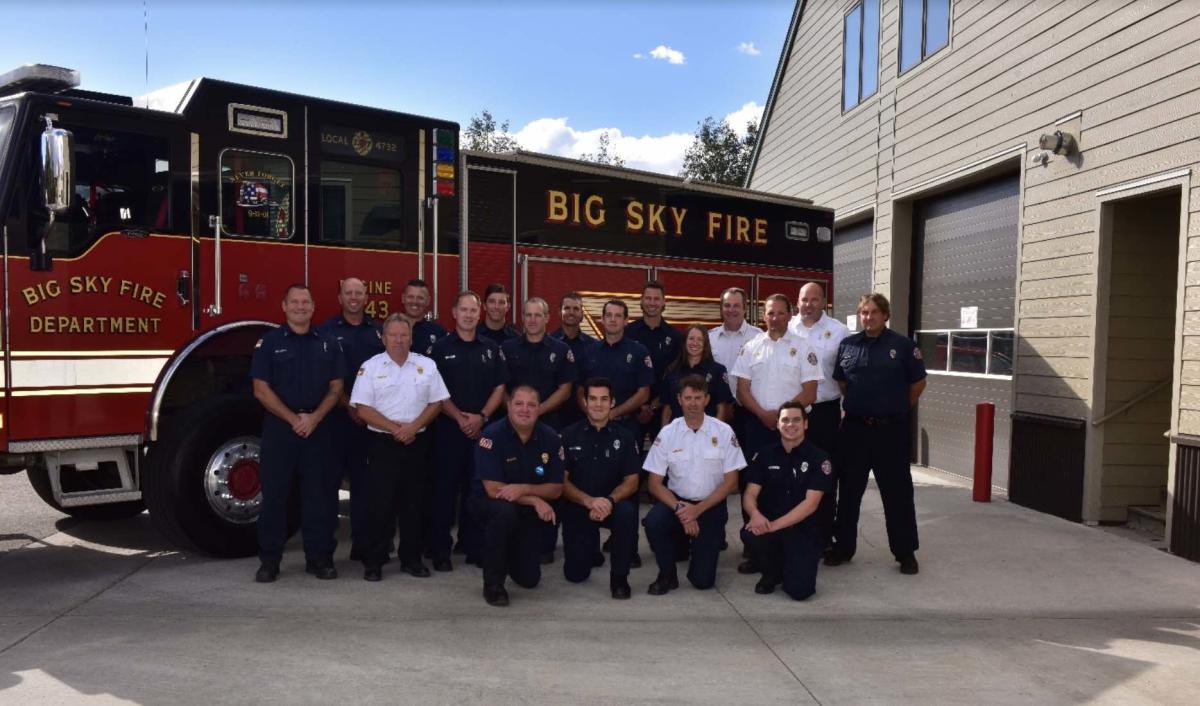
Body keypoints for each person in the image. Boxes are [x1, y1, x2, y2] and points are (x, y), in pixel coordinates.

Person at [825, 293, 927, 575]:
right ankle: (843, 547)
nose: (868, 317)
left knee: (897, 494)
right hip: (855, 430)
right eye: (864, 312)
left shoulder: (903, 346)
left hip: (890, 431)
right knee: (849, 492)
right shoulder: (848, 345)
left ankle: (905, 552)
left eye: (873, 312)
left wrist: (895, 408)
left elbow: (918, 384)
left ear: (885, 315)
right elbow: (843, 384)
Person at [250, 284, 345, 583]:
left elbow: (337, 388)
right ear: (284, 306)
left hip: (319, 429)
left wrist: (314, 418)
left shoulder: (328, 342)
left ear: (313, 307)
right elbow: (260, 389)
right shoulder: (268, 343)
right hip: (281, 430)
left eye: (306, 302)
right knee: (275, 498)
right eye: (295, 302)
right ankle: (269, 561)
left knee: (320, 498)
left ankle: (319, 559)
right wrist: (294, 419)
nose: (300, 307)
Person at [349, 314, 448, 581]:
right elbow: (362, 409)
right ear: (383, 338)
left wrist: (413, 427)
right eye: (393, 335)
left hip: (417, 442)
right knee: (379, 505)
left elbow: (437, 402)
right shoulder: (370, 367)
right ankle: (374, 561)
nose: (399, 340)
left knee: (414, 505)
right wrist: (397, 429)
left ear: (411, 338)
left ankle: (411, 559)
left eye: (404, 335)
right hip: (383, 444)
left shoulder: (426, 365)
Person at [730, 293, 821, 575]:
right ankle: (754, 548)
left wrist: (781, 417)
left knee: (791, 487)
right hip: (758, 427)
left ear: (789, 315)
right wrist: (762, 414)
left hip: (791, 430)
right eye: (770, 313)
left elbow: (810, 392)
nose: (775, 318)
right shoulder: (751, 347)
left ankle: (791, 542)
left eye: (781, 313)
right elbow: (742, 389)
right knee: (754, 485)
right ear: (763, 315)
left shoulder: (804, 347)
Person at [642, 375, 744, 594]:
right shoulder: (668, 433)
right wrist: (682, 510)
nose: (693, 403)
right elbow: (654, 484)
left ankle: (694, 548)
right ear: (679, 399)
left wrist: (697, 511)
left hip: (710, 505)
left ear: (707, 399)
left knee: (703, 581)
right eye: (688, 398)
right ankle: (667, 574)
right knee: (653, 522)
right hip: (676, 503)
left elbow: (731, 483)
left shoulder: (723, 431)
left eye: (698, 398)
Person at [429, 291, 508, 571]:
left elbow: (500, 387)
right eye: (464, 310)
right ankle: (440, 551)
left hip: (483, 431)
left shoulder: (491, 348)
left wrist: (482, 417)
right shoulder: (439, 348)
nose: (469, 315)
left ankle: (473, 547)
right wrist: (460, 418)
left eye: (473, 310)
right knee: (444, 492)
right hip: (448, 429)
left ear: (479, 313)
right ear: (454, 313)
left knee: (478, 491)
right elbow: (434, 390)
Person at [472, 386, 565, 607]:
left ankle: (512, 554)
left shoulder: (551, 438)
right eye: (519, 404)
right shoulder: (492, 436)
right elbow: (493, 489)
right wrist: (533, 498)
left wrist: (524, 489)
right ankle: (493, 584)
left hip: (526, 511)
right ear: (509, 406)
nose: (525, 410)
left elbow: (556, 488)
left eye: (531, 405)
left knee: (529, 580)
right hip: (490, 506)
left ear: (539, 408)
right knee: (504, 513)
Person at [316, 277, 385, 562]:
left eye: (359, 293)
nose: (354, 297)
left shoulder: (379, 332)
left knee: (365, 488)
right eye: (349, 293)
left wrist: (367, 413)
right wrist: (351, 407)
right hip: (336, 421)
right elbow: (326, 377)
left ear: (367, 298)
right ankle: (324, 552)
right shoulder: (326, 332)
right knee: (328, 487)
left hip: (369, 424)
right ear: (340, 298)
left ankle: (362, 547)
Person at [741, 402, 834, 600]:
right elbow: (749, 494)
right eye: (785, 420)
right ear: (778, 424)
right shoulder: (765, 455)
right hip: (770, 526)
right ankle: (771, 573)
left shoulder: (819, 458)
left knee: (800, 592)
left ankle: (786, 566)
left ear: (806, 424)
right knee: (750, 533)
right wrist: (756, 515)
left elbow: (811, 504)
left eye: (796, 420)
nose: (790, 425)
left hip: (803, 530)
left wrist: (772, 526)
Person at [560, 377, 641, 600]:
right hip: (579, 505)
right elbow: (562, 482)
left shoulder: (625, 437)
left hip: (612, 505)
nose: (598, 404)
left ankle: (620, 578)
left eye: (604, 399)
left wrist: (609, 501)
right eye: (593, 399)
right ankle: (591, 550)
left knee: (627, 512)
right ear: (585, 402)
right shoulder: (568, 435)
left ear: (612, 402)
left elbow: (632, 481)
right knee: (576, 575)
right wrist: (589, 501)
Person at [787, 282, 850, 550]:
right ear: (797, 301)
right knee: (792, 474)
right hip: (793, 413)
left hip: (825, 412)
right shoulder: (787, 327)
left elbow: (847, 375)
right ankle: (793, 533)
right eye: (804, 299)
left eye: (814, 299)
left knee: (824, 473)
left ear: (824, 302)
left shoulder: (839, 331)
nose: (808, 305)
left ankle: (823, 536)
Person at [575, 299, 654, 443]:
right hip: (592, 427)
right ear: (602, 319)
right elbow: (580, 390)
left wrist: (612, 413)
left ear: (626, 321)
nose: (613, 319)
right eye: (609, 315)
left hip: (627, 426)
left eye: (618, 316)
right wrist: (592, 414)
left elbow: (644, 393)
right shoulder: (588, 352)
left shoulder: (639, 352)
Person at [501, 297, 577, 431]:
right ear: (523, 317)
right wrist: (516, 411)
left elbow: (565, 390)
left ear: (546, 318)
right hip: (513, 424)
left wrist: (537, 410)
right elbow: (499, 387)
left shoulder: (561, 350)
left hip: (549, 424)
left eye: (537, 315)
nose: (532, 320)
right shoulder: (507, 348)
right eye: (528, 315)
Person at [625, 281, 681, 445]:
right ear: (641, 301)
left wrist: (654, 406)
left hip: (664, 408)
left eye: (656, 299)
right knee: (630, 456)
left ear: (664, 302)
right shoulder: (627, 333)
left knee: (665, 455)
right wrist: (640, 406)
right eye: (648, 298)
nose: (652, 303)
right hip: (631, 410)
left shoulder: (675, 337)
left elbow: (675, 375)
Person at [708, 287, 758, 449]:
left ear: (745, 308)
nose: (731, 310)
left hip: (748, 412)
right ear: (721, 308)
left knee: (747, 457)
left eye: (736, 305)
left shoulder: (759, 338)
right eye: (727, 305)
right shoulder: (710, 338)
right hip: (716, 411)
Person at [660, 324, 733, 426]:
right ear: (684, 342)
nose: (695, 343)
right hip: (678, 431)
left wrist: (716, 432)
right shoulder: (672, 370)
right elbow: (667, 409)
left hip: (707, 431)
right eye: (691, 338)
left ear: (705, 344)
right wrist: (664, 433)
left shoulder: (718, 371)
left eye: (700, 339)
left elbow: (722, 408)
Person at [550, 291, 597, 430]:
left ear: (582, 314)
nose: (571, 312)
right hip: (552, 417)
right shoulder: (548, 343)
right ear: (559, 312)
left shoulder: (593, 346)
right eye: (567, 308)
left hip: (585, 418)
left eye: (576, 309)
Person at [402, 278, 447, 356]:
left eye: (420, 298)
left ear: (428, 301)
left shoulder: (439, 333)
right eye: (410, 297)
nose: (415, 302)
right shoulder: (389, 330)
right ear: (403, 298)